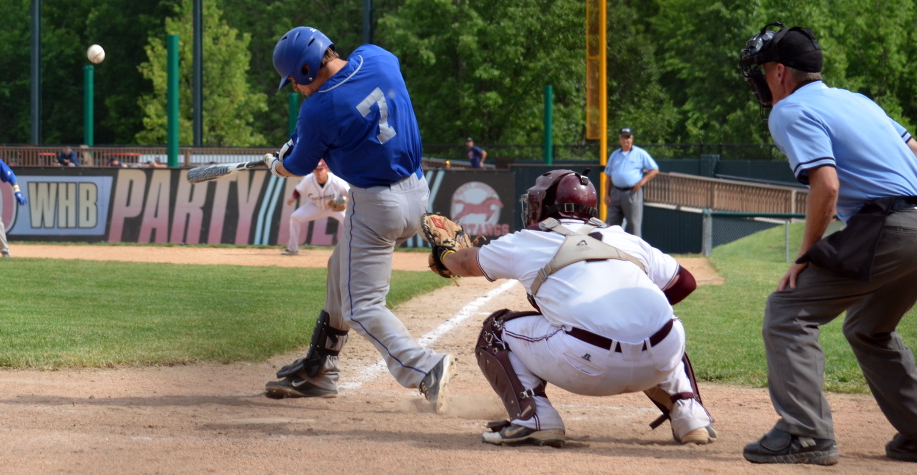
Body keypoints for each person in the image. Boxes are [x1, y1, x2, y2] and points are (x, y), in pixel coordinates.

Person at [738, 23, 917, 465]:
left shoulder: (789, 110)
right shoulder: (856, 101)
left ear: (780, 72)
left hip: (889, 224)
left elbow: (828, 186)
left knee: (788, 311)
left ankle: (806, 434)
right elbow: (913, 147)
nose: (761, 81)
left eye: (762, 71)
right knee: (867, 327)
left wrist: (805, 256)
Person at [435, 169, 715, 447]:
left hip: (586, 366)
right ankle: (690, 416)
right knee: (661, 326)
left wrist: (445, 253)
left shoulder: (529, 240)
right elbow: (685, 282)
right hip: (659, 358)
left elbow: (464, 263)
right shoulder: (622, 236)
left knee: (495, 330)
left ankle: (535, 419)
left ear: (544, 205)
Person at [262, 26, 455, 413]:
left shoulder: (317, 109)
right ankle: (321, 370)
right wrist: (302, 140)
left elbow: (297, 164)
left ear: (304, 69)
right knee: (340, 269)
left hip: (376, 206)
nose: (296, 89)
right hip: (417, 193)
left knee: (361, 306)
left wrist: (276, 164)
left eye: (294, 83)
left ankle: (424, 368)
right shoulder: (379, 56)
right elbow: (356, 106)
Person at [281, 159, 350, 256]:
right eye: (316, 170)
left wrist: (342, 201)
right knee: (295, 217)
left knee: (350, 222)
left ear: (327, 169)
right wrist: (293, 198)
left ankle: (354, 249)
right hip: (316, 206)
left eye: (321, 169)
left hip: (334, 207)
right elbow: (298, 190)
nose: (319, 172)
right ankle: (292, 249)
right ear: (313, 170)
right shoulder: (308, 180)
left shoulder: (337, 181)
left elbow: (350, 194)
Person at [603, 127, 658, 237]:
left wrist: (641, 182)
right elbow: (608, 176)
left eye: (627, 137)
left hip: (632, 192)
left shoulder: (640, 153)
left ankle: (635, 253)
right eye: (623, 137)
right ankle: (613, 251)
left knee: (634, 224)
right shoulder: (615, 155)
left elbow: (654, 169)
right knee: (611, 225)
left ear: (632, 138)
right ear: (619, 139)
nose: (625, 140)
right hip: (615, 192)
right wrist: (606, 194)